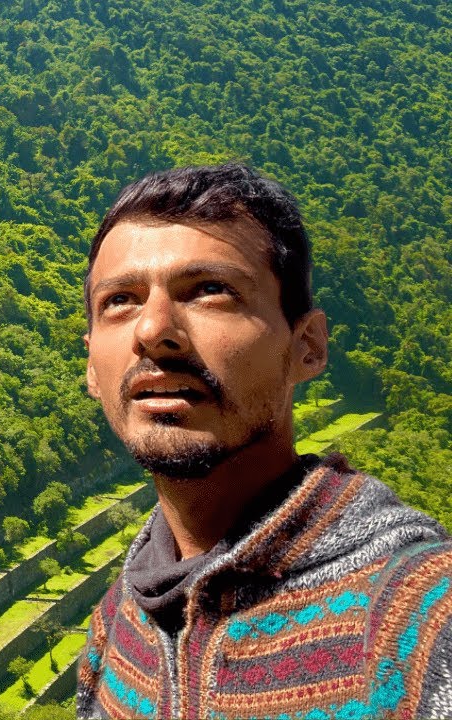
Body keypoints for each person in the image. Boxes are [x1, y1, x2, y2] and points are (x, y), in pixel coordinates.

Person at [76, 163, 452, 718]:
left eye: (210, 291)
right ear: (90, 366)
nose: (153, 330)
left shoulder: (417, 619)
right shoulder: (114, 631)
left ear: (308, 347)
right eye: (120, 301)